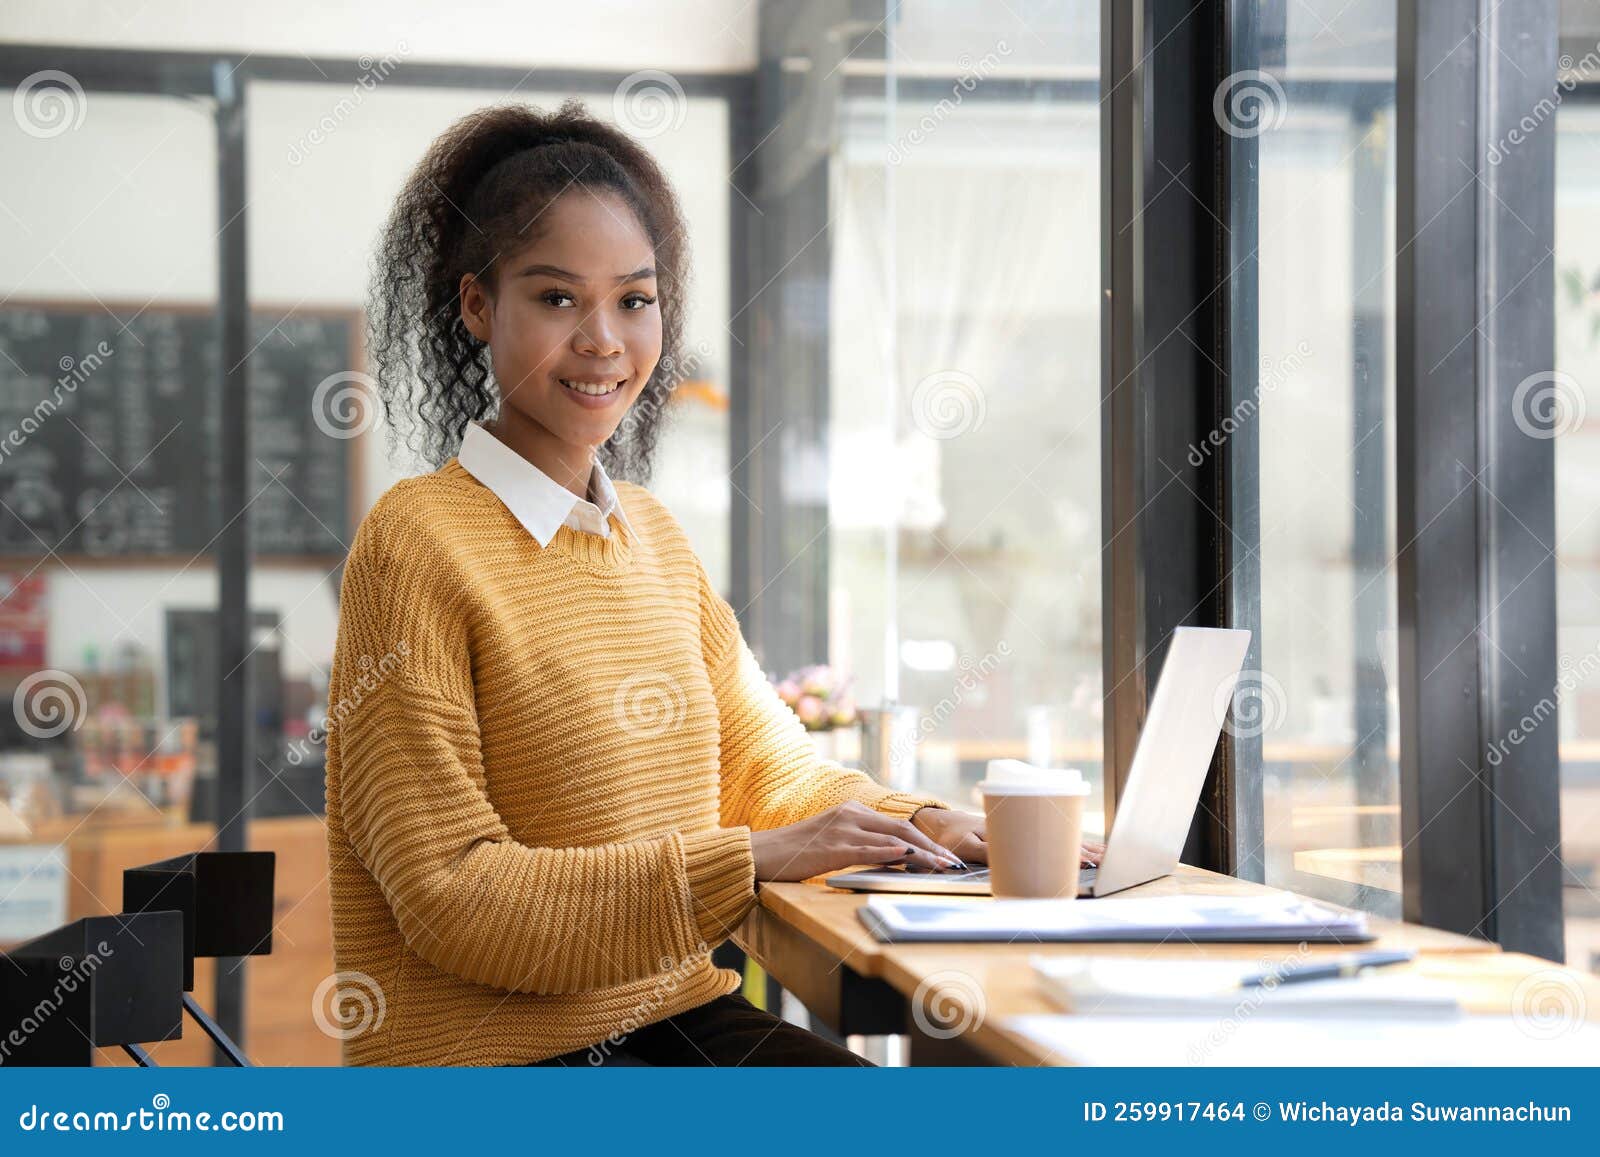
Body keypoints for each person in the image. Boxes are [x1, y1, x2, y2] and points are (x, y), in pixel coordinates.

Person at [325, 99, 1084, 1068]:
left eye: (634, 300)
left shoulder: (654, 538)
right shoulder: (415, 543)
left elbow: (770, 773)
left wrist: (921, 822)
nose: (604, 339)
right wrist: (749, 860)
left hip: (668, 1021)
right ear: (478, 305)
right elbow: (452, 896)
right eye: (557, 298)